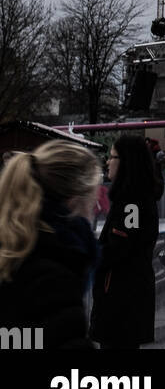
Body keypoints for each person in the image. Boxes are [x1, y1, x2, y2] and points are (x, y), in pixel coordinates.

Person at [0, 142, 102, 349]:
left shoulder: (16, 249)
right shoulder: (54, 274)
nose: (96, 208)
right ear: (74, 202)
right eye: (92, 200)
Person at [90, 135, 163, 349]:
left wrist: (89, 255)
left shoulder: (133, 202)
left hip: (121, 302)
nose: (107, 162)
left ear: (126, 162)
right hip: (124, 300)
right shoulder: (131, 198)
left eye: (112, 157)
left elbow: (121, 247)